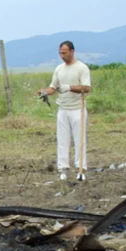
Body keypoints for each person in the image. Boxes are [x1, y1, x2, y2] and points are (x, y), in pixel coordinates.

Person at [37, 40, 91, 181]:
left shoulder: (82, 68)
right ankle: (63, 169)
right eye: (60, 53)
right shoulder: (59, 69)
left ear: (72, 51)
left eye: (64, 53)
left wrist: (70, 87)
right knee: (62, 140)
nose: (62, 56)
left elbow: (87, 88)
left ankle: (81, 169)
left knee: (80, 140)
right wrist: (45, 92)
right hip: (63, 109)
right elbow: (53, 87)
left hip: (77, 109)